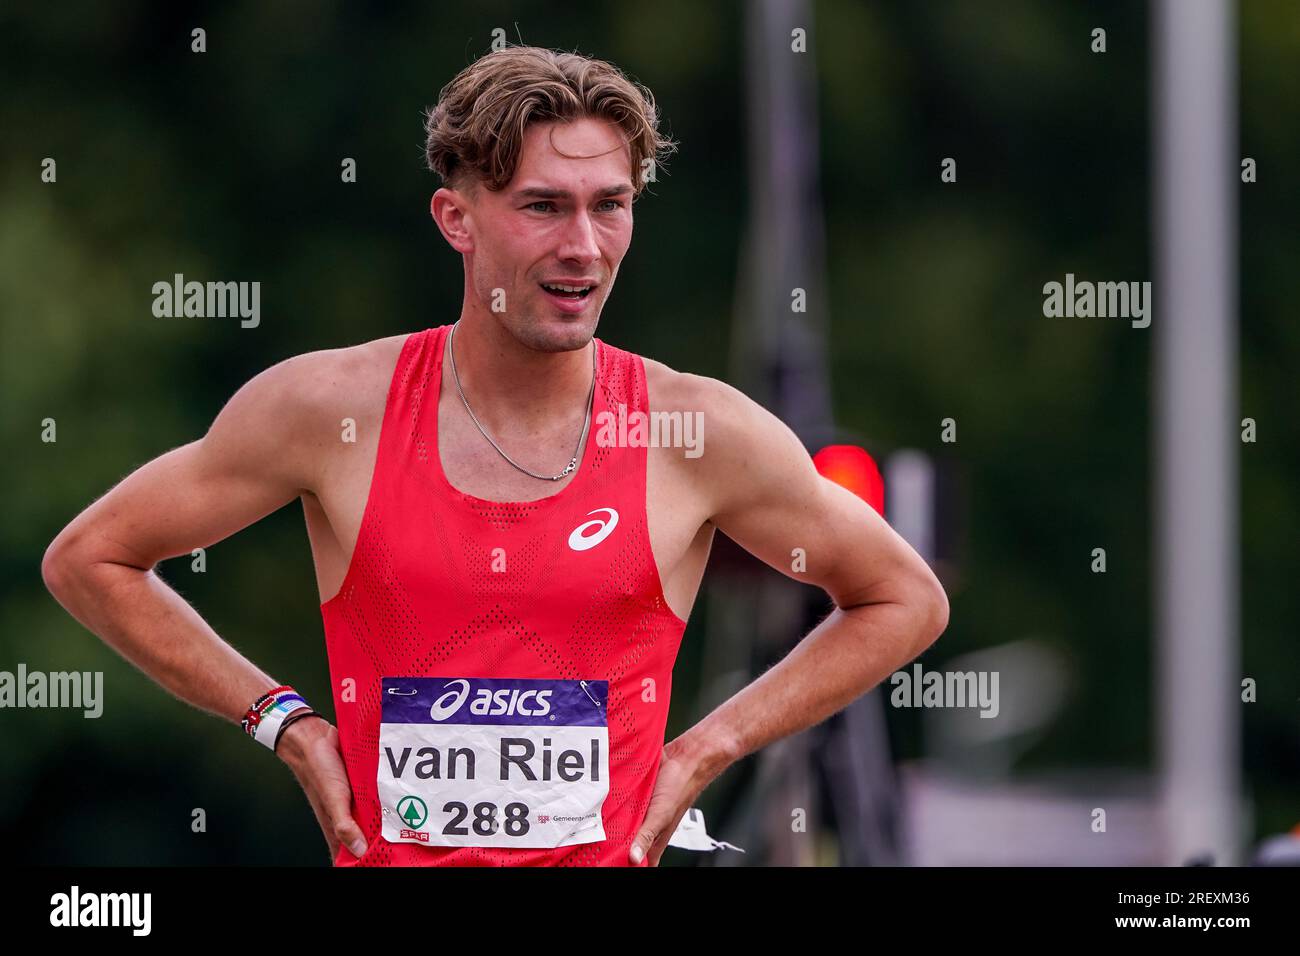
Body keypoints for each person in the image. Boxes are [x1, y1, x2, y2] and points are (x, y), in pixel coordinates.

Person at [40, 45, 948, 867]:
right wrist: (284, 722)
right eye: (543, 208)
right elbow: (93, 558)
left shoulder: (693, 429)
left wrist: (709, 746)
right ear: (457, 218)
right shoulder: (329, 409)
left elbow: (903, 597)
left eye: (611, 207)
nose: (583, 248)